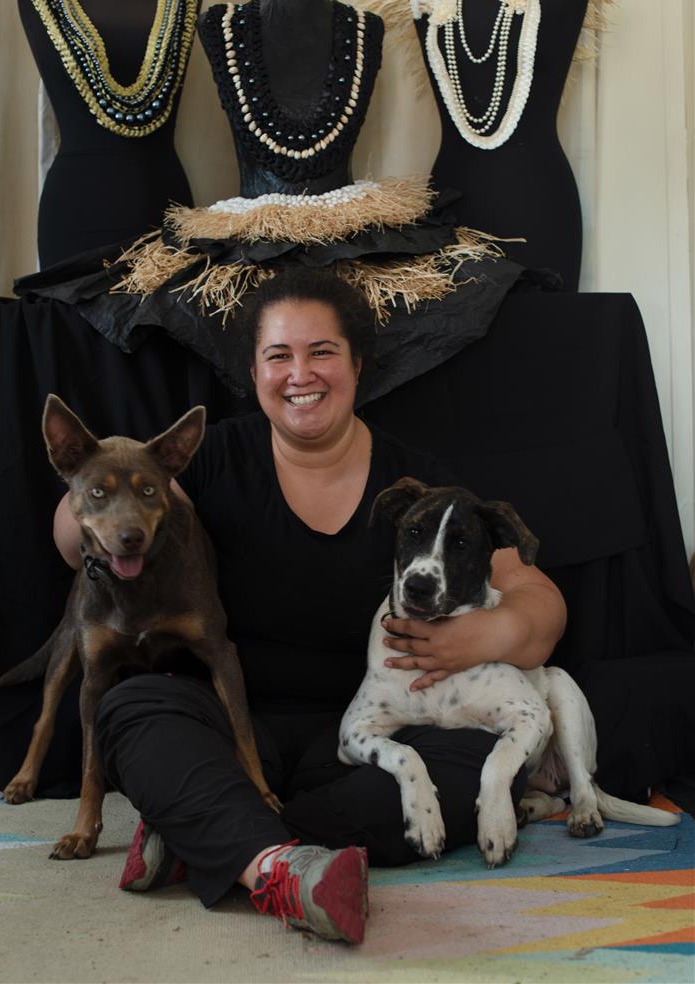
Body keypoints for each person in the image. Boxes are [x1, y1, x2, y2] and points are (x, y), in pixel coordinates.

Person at [53, 267, 566, 944]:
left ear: (358, 363)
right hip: (232, 721)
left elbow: (540, 599)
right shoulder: (210, 461)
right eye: (279, 356)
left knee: (476, 765)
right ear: (253, 370)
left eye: (322, 352)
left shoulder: (413, 483)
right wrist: (96, 505)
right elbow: (74, 536)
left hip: (372, 733)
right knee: (131, 709)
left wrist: (490, 632)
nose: (302, 374)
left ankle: (210, 834)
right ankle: (276, 861)